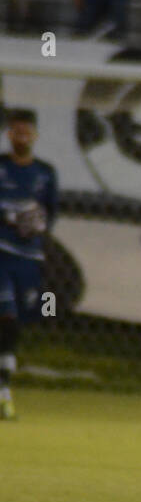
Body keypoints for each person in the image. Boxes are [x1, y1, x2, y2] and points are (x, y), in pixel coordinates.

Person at [0, 110, 58, 422]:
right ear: (9, 134)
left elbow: (50, 215)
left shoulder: (46, 173)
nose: (21, 137)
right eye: (16, 131)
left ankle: (4, 390)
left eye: (26, 132)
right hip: (1, 255)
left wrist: (34, 226)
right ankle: (3, 394)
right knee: (6, 316)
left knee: (14, 325)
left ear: (35, 135)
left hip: (28, 259)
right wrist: (10, 217)